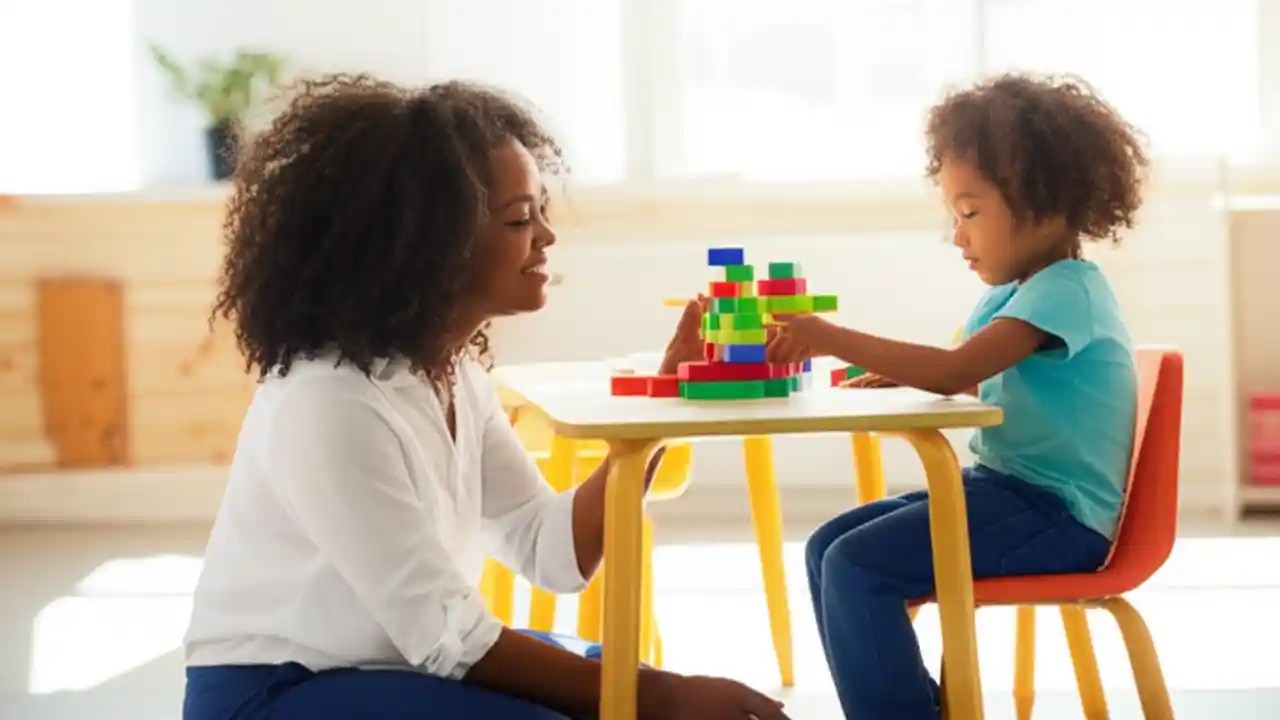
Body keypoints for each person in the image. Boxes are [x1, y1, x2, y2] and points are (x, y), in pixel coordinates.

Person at [182, 74, 787, 720]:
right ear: (432, 243)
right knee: (619, 699)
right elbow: (453, 635)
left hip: (396, 668)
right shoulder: (328, 403)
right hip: (277, 691)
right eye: (521, 218)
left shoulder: (452, 375)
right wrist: (654, 698)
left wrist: (665, 403)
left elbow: (552, 550)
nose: (547, 237)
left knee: (625, 685)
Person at [765, 73, 1147, 719]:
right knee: (827, 549)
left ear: (1044, 203)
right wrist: (914, 372)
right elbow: (978, 372)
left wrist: (832, 337)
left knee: (860, 567)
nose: (958, 235)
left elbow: (952, 369)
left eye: (970, 213)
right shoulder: (1018, 294)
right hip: (1012, 493)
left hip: (1058, 518)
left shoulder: (1066, 289)